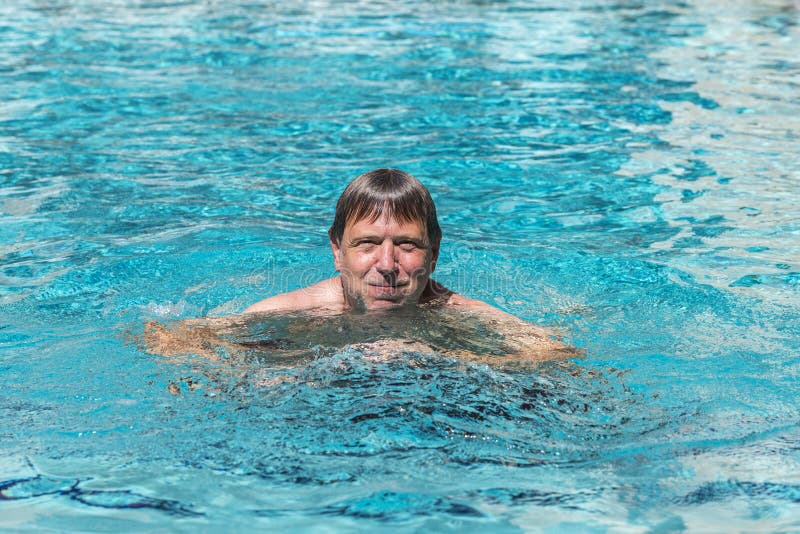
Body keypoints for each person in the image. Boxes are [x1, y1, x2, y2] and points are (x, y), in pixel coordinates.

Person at [145, 169, 576, 365]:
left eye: (406, 245)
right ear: (337, 251)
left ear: (434, 252)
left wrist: (442, 358)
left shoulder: (459, 315)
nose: (386, 264)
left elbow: (559, 357)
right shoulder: (298, 309)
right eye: (367, 244)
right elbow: (166, 341)